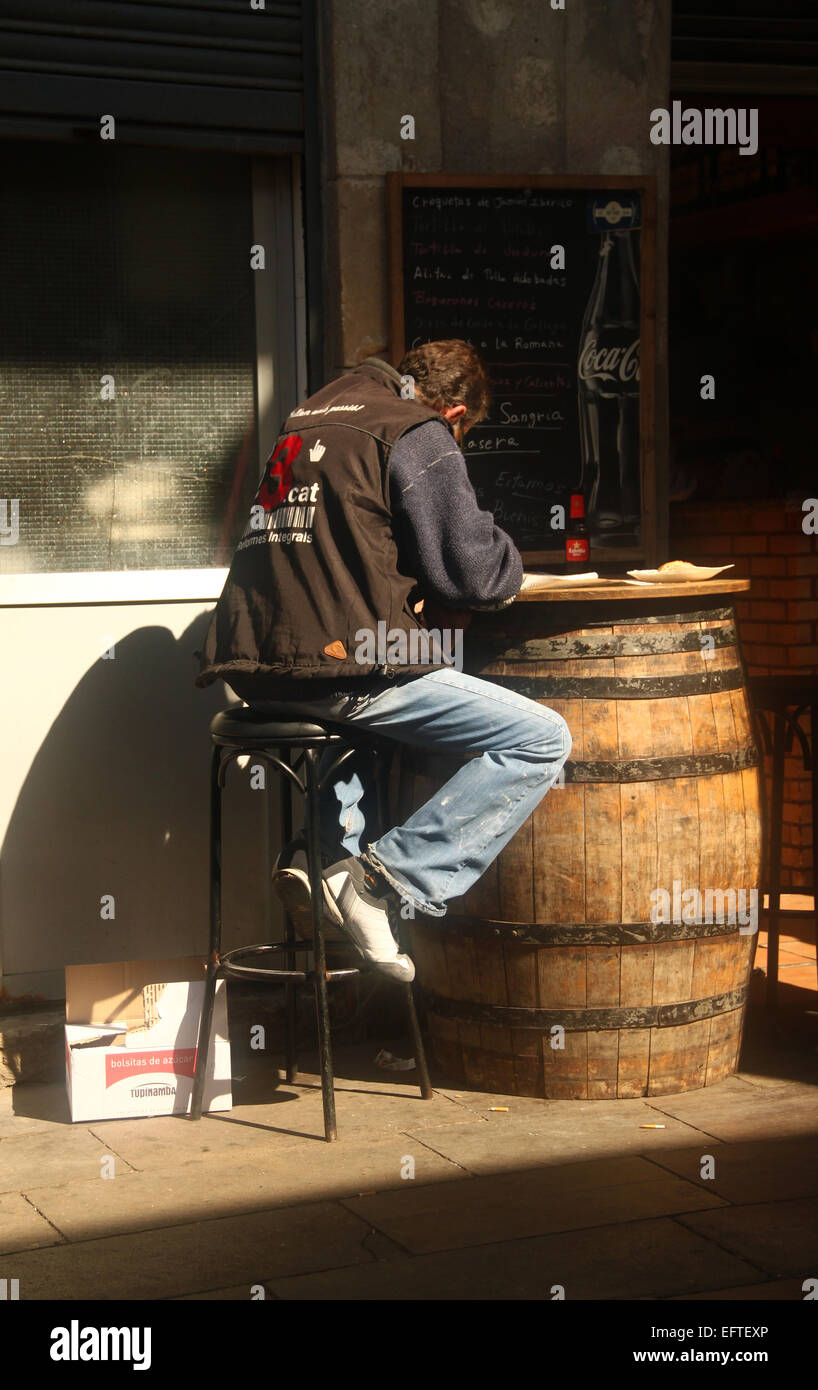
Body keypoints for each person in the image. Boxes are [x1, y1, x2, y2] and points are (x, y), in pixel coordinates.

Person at [195, 340, 571, 982]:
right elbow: (474, 575)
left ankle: (322, 860)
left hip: (254, 670)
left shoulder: (308, 417)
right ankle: (386, 879)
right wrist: (510, 564)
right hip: (340, 669)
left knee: (367, 719)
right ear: (454, 413)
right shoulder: (416, 432)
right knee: (541, 738)